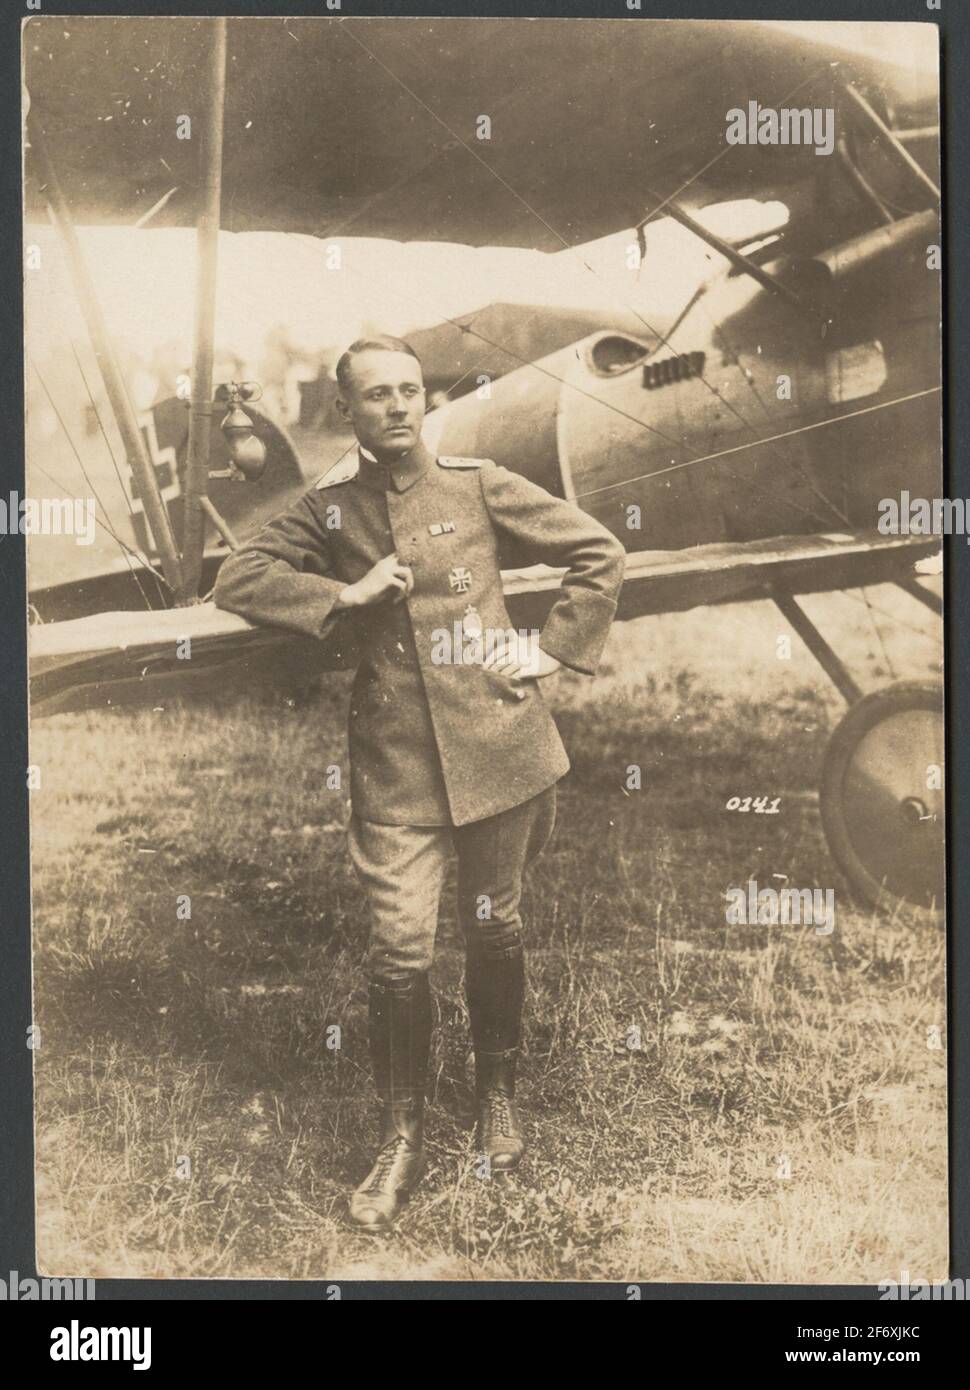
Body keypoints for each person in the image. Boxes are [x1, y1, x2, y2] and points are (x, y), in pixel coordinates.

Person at [213, 335, 626, 1231]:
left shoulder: (476, 481)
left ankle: (498, 1100)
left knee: (495, 925)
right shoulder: (328, 507)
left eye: (410, 391)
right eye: (377, 396)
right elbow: (238, 576)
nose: (398, 407)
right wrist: (346, 597)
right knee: (399, 951)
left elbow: (598, 552)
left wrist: (548, 649)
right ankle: (401, 1136)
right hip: (396, 763)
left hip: (498, 747)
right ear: (347, 412)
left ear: (423, 401)